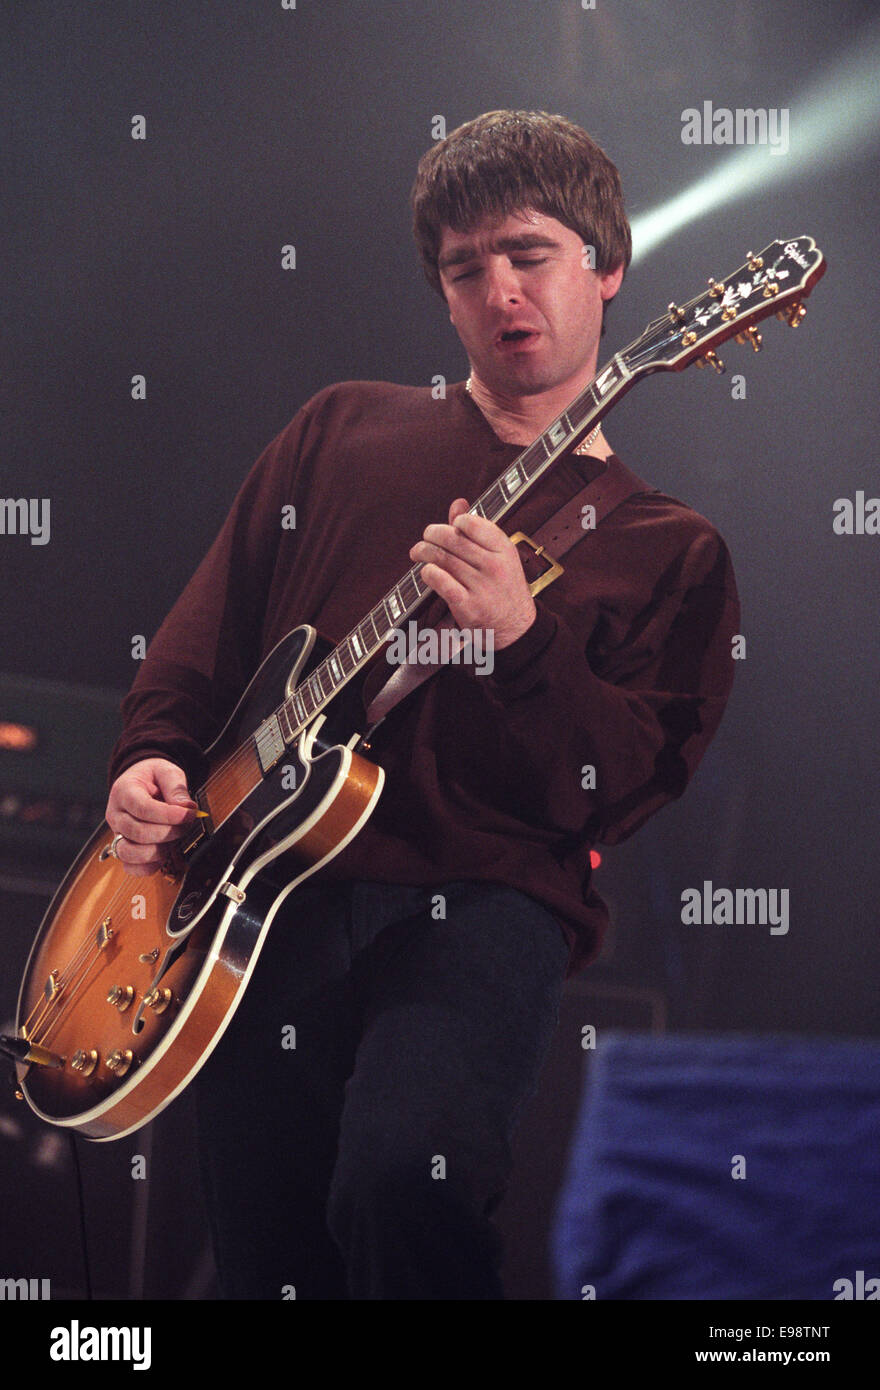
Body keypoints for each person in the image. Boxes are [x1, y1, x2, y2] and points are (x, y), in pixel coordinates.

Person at [104, 110, 740, 1299]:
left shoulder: (669, 550)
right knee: (264, 1242)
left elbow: (619, 784)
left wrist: (523, 640)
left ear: (607, 268)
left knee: (407, 1178)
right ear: (443, 295)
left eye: (530, 253)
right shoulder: (343, 429)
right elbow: (205, 636)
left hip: (484, 901)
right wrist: (151, 757)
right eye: (465, 267)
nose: (500, 288)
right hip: (262, 897)